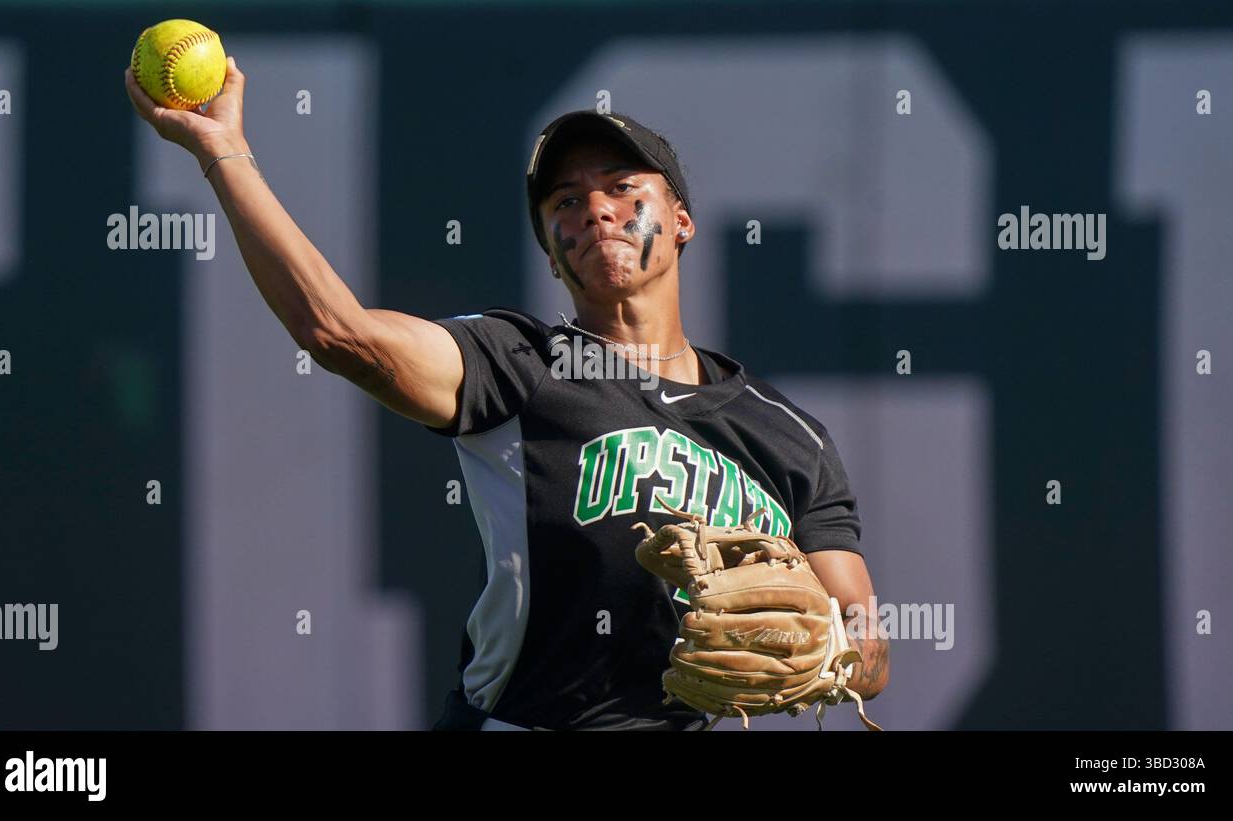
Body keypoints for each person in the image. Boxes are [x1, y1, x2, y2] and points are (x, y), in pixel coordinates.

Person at [125, 59, 889, 731]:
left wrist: (832, 650)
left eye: (623, 188)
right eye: (564, 202)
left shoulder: (790, 436)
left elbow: (865, 642)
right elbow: (338, 333)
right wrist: (223, 150)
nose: (594, 209)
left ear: (682, 221)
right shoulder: (519, 362)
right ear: (551, 254)